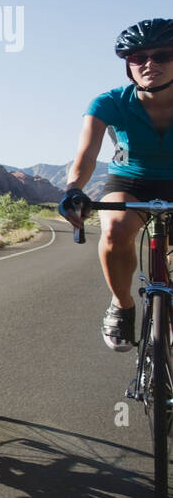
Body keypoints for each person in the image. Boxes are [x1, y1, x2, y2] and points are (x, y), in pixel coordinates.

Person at [58, 18, 173, 352]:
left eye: (163, 55)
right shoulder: (109, 102)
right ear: (128, 66)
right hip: (131, 179)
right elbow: (86, 156)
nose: (150, 64)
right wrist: (73, 189)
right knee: (115, 231)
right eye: (139, 58)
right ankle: (122, 305)